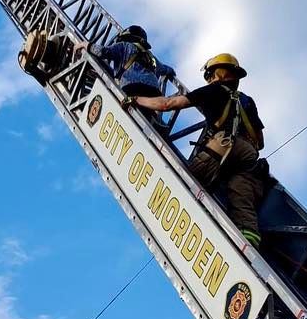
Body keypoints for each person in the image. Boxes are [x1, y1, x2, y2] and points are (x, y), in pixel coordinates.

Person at [128, 53, 267, 248]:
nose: (209, 79)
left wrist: (135, 99)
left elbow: (167, 104)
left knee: (185, 185)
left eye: (210, 75)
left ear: (218, 73)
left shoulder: (212, 91)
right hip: (249, 157)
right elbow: (260, 142)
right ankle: (249, 246)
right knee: (242, 202)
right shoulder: (248, 101)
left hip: (223, 145)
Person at [76, 25, 176, 99]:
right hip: (154, 93)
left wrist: (86, 45)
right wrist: (172, 71)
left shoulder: (124, 45)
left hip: (132, 88)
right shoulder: (150, 56)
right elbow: (165, 69)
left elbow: (104, 52)